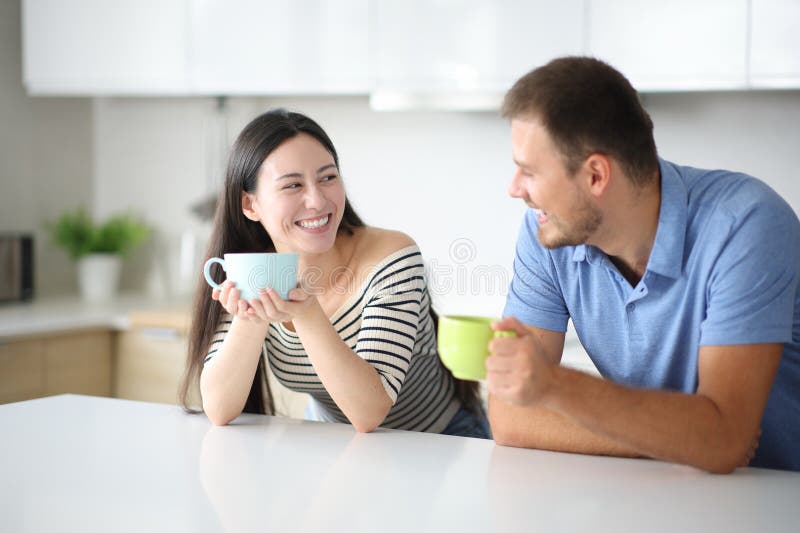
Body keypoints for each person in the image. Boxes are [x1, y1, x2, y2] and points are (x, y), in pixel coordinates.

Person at [486, 56, 800, 472]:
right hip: (654, 491)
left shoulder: (745, 224)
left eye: (528, 171)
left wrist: (553, 387)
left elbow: (724, 439)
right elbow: (509, 416)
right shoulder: (545, 232)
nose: (514, 189)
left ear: (596, 175)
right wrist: (686, 442)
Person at [181, 109, 489, 438]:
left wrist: (307, 312)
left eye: (328, 178)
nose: (317, 200)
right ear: (249, 205)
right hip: (341, 441)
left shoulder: (392, 256)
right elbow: (219, 408)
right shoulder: (257, 271)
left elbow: (370, 412)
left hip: (441, 439)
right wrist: (249, 317)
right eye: (293, 185)